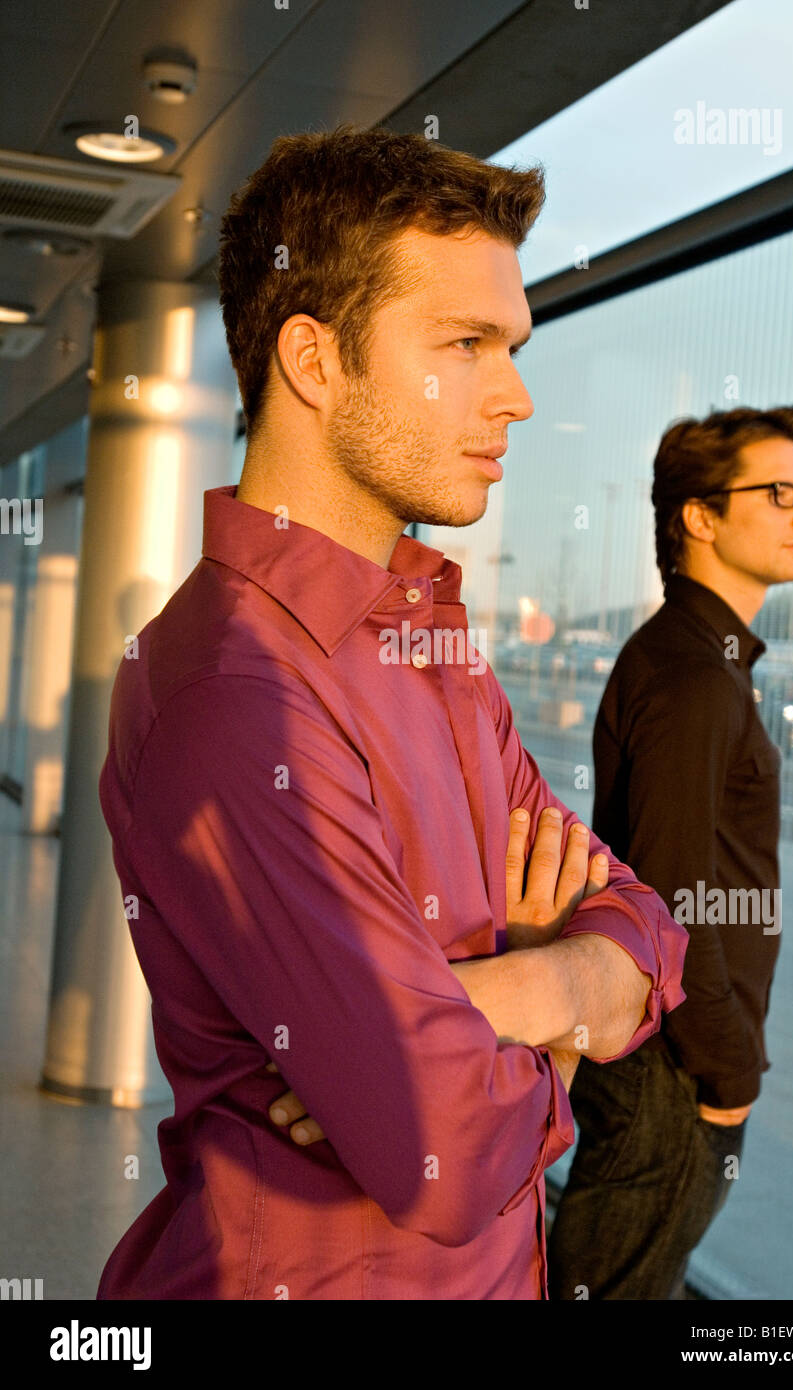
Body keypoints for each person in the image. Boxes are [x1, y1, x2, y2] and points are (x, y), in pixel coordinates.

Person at [96, 124, 686, 1302]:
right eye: (465, 344)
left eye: (508, 346)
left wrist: (506, 997)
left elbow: (650, 933)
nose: (515, 395)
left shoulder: (429, 637)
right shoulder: (234, 694)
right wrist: (561, 994)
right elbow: (448, 1142)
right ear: (314, 361)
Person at [547, 405, 793, 1300]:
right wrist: (727, 1065)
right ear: (698, 516)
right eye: (779, 492)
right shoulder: (692, 675)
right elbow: (677, 895)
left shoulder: (700, 659)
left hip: (668, 1058)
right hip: (671, 1073)